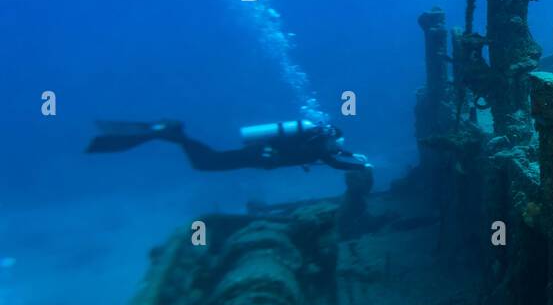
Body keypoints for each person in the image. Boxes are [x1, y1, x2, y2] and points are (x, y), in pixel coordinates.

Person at [85, 119, 371, 172]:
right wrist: (361, 166)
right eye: (338, 143)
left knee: (209, 161)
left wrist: (352, 155)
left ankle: (172, 133)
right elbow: (333, 161)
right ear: (332, 137)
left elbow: (333, 155)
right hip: (258, 156)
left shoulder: (320, 141)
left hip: (259, 155)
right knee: (206, 163)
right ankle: (173, 132)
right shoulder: (321, 145)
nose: (336, 147)